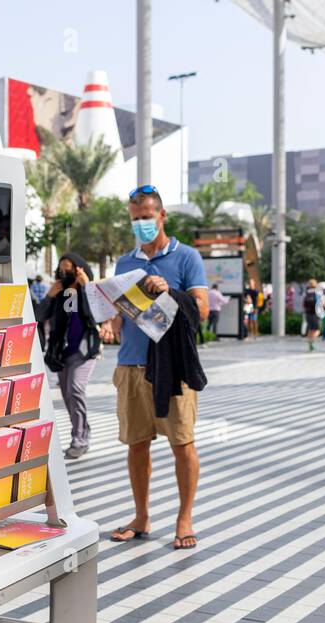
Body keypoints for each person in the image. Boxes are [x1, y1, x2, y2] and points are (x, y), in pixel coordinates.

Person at [106, 184, 208, 551]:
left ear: (162, 216)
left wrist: (169, 290)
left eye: (147, 218)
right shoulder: (125, 262)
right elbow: (121, 311)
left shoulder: (187, 258)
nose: (141, 226)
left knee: (183, 444)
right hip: (131, 364)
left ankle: (184, 518)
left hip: (173, 367)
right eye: (135, 220)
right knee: (136, 445)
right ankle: (141, 515)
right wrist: (110, 321)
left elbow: (202, 309)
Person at [43, 253, 100, 459]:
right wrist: (49, 296)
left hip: (83, 352)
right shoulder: (62, 295)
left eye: (68, 269)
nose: (64, 272)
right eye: (61, 269)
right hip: (62, 353)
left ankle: (80, 438)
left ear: (79, 270)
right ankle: (82, 429)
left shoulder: (89, 292)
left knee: (75, 389)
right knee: (67, 395)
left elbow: (94, 315)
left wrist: (86, 288)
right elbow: (40, 316)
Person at [302, 278, 321, 352]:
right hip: (315, 314)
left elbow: (303, 304)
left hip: (307, 313)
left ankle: (310, 345)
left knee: (310, 329)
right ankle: (311, 343)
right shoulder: (317, 293)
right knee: (317, 330)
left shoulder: (306, 293)